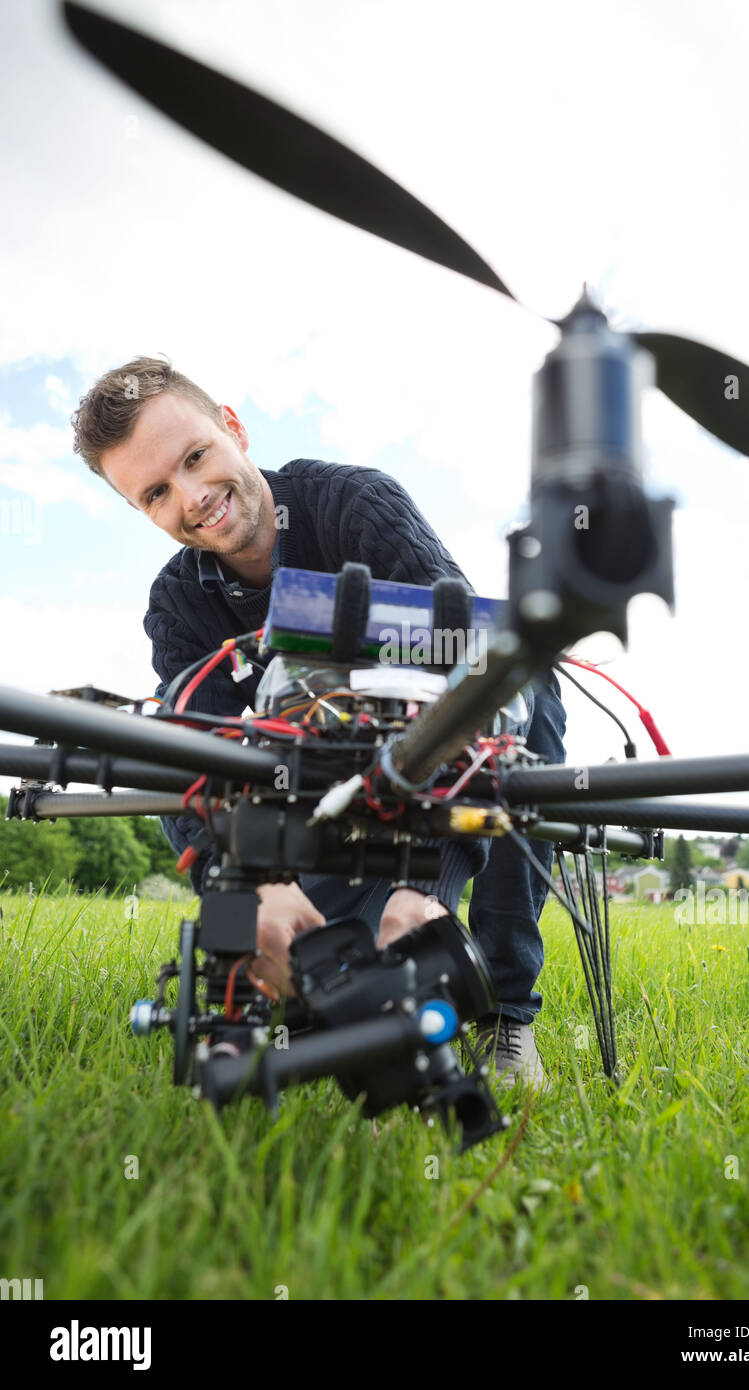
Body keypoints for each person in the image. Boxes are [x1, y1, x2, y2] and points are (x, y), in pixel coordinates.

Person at [71, 357, 567, 1086]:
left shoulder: (355, 505)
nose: (193, 496)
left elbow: (477, 675)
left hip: (428, 773)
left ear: (233, 428)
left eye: (196, 457)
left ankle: (506, 1018)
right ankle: (311, 967)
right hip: (315, 802)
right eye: (156, 493)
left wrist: (426, 886)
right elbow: (185, 758)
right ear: (141, 510)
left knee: (536, 690)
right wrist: (250, 884)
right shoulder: (177, 602)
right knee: (314, 987)